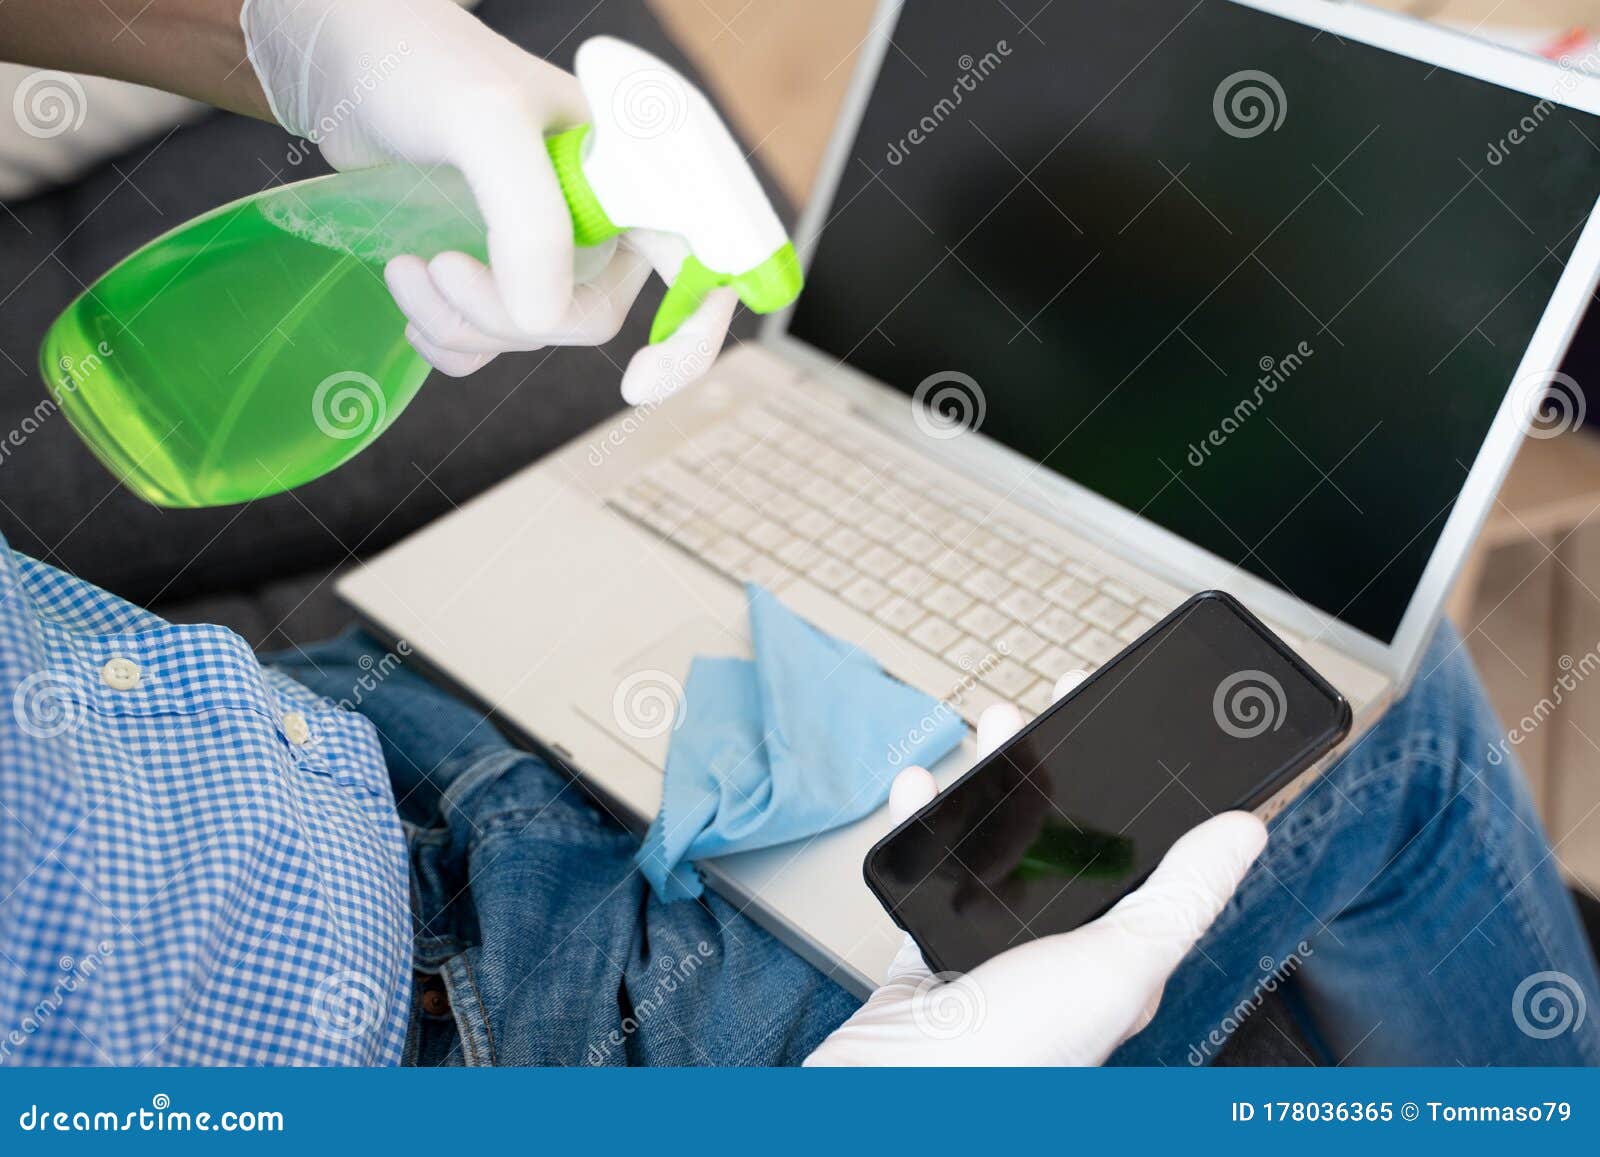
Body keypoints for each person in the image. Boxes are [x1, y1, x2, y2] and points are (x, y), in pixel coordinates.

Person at [0, 0, 1595, 1067]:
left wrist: (327, 31)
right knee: (1383, 708)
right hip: (525, 1031)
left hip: (328, 748)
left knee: (920, 407)